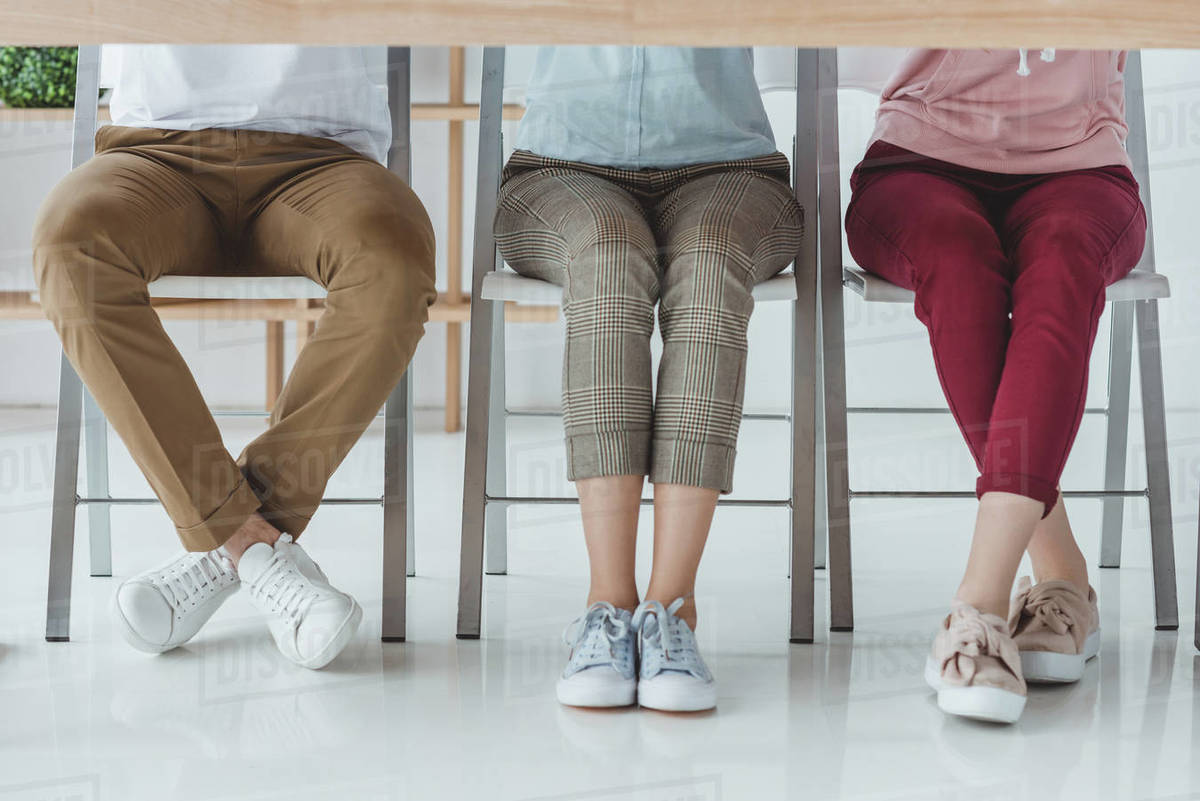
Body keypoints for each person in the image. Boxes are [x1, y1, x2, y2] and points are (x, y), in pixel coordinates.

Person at [33, 45, 436, 669]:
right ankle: (252, 547)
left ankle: (224, 548)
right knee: (69, 248)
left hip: (322, 158)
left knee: (392, 265)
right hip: (154, 150)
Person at [495, 46, 804, 711]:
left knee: (713, 255)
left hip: (730, 169)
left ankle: (671, 610)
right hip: (560, 169)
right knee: (607, 254)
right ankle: (608, 605)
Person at [845, 49, 1143, 722]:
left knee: (1065, 260)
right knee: (958, 264)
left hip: (1081, 164)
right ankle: (1060, 566)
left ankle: (977, 604)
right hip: (918, 157)